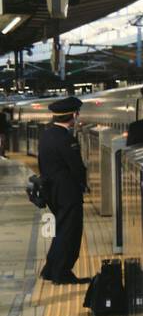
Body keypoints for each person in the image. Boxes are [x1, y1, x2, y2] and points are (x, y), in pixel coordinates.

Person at [38, 96, 89, 285]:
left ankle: (50, 270)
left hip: (53, 190)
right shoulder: (65, 138)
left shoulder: (47, 135)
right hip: (68, 192)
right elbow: (76, 167)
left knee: (61, 230)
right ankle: (62, 273)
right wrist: (82, 185)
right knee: (70, 232)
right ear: (74, 115)